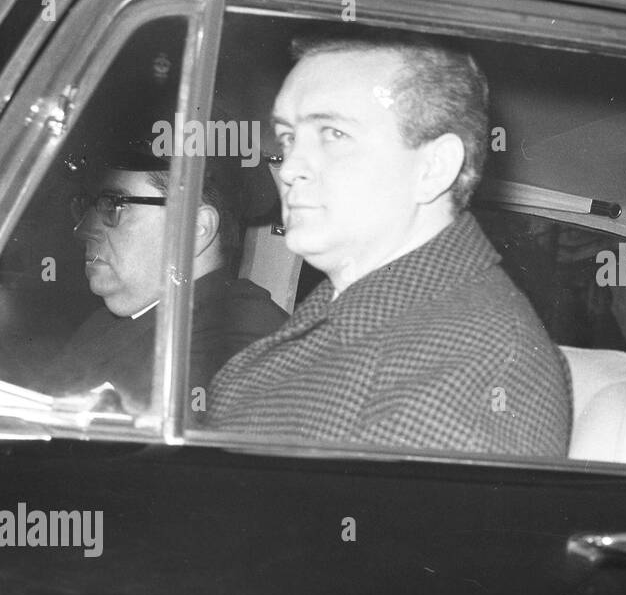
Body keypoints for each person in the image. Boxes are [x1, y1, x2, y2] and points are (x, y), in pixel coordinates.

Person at [207, 31, 572, 456]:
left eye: (333, 134)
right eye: (288, 138)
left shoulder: (474, 374)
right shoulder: (354, 310)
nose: (289, 168)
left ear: (433, 168)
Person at [52, 155, 286, 410]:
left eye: (114, 206)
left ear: (194, 228)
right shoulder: (102, 324)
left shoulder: (240, 340)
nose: (83, 229)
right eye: (87, 205)